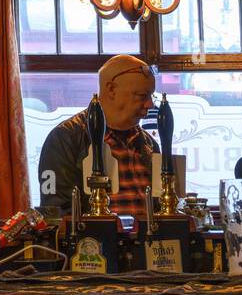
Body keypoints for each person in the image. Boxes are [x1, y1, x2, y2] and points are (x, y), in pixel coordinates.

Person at [37, 54, 157, 219]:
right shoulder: (65, 138)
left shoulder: (148, 143)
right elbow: (57, 213)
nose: (150, 104)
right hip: (97, 243)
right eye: (142, 96)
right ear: (111, 89)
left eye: (151, 96)